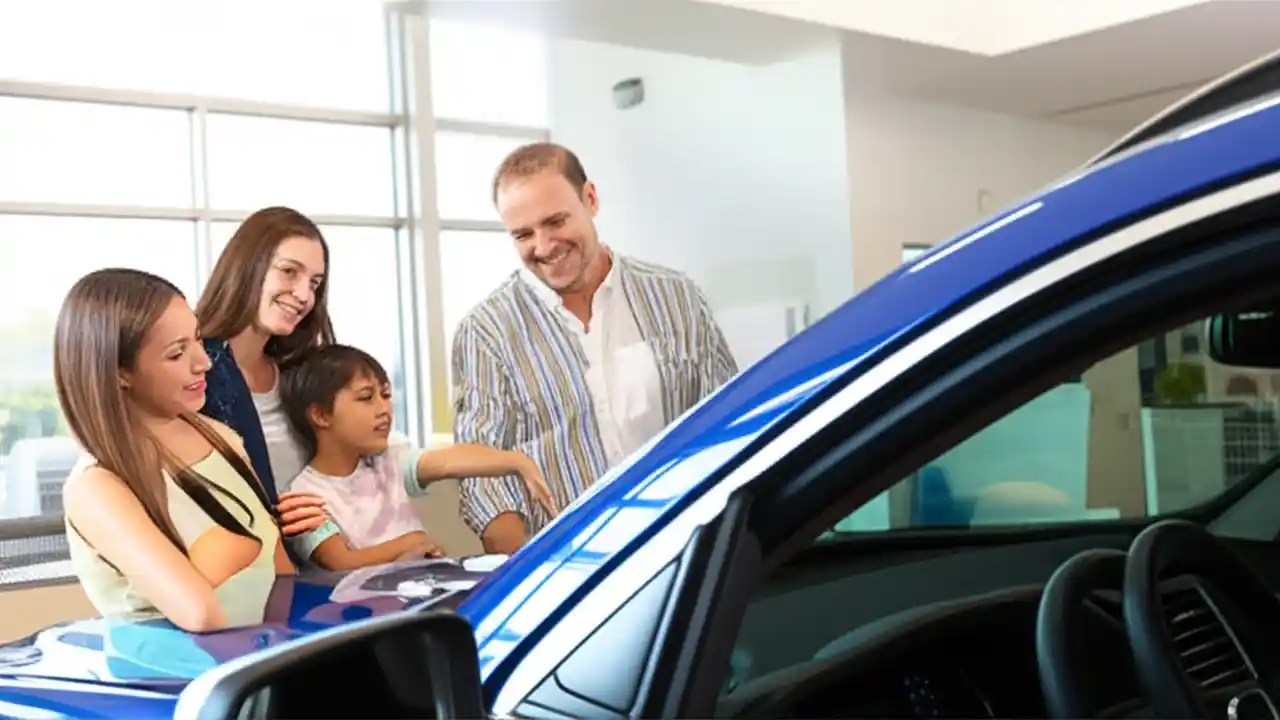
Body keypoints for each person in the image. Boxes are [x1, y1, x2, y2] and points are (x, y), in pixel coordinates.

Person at [452, 142, 739, 554]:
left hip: (690, 548)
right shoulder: (486, 333)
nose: (544, 245)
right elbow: (483, 476)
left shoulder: (677, 297)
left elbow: (727, 421)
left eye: (555, 221)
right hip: (571, 572)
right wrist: (527, 578)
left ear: (590, 198)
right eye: (523, 234)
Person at [54, 268, 328, 632]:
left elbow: (280, 571)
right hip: (179, 680)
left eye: (197, 340)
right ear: (121, 372)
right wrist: (217, 557)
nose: (204, 362)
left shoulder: (219, 436)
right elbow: (200, 614)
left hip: (259, 660)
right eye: (177, 353)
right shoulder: (97, 487)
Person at [277, 344, 555, 570]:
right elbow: (340, 562)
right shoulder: (305, 496)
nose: (384, 408)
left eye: (386, 395)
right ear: (321, 415)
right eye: (366, 397)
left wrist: (516, 462)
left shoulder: (389, 462)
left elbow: (449, 460)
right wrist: (410, 542)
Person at [196, 206, 342, 562]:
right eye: (290, 272)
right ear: (249, 266)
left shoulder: (301, 372)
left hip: (316, 574)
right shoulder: (197, 375)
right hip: (242, 579)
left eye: (315, 283)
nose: (305, 295)